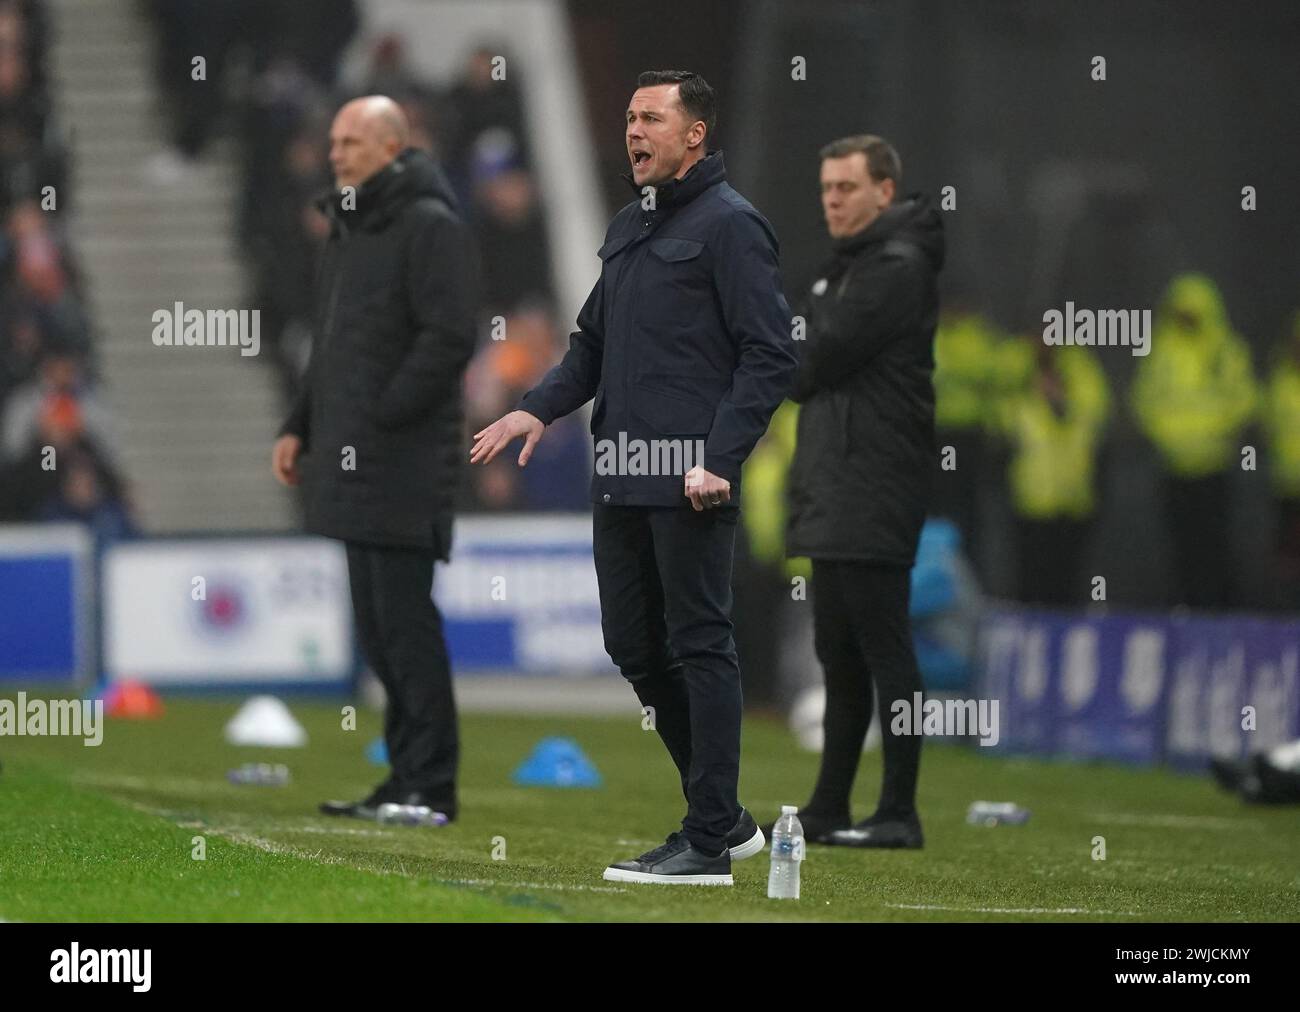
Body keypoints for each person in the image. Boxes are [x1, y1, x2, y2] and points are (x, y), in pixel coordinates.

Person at [471, 71, 796, 885]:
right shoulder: (629, 227)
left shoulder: (733, 227)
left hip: (690, 481)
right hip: (617, 473)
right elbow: (589, 344)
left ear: (696, 135)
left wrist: (720, 457)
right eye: (627, 117)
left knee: (698, 643)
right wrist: (535, 409)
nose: (633, 130)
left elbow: (769, 354)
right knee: (633, 646)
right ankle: (721, 819)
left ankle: (707, 843)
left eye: (651, 117)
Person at [271, 96, 477, 824]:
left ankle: (432, 786)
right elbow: (327, 346)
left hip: (405, 463)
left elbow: (451, 336)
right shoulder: (349, 228)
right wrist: (301, 422)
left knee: (406, 626)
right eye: (333, 141)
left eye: (352, 141)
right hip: (353, 460)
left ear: (393, 146)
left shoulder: (430, 225)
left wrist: (384, 412)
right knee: (379, 630)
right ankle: (403, 780)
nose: (336, 153)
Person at [783, 135, 944, 848]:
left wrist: (784, 345)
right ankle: (828, 807)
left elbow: (813, 362)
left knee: (883, 647)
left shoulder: (894, 268)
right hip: (838, 480)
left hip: (874, 481)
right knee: (839, 651)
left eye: (847, 187)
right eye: (825, 189)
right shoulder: (847, 269)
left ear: (886, 190)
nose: (833, 201)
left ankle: (899, 812)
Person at [1130, 274, 1257, 608]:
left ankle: (1219, 607)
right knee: (1181, 546)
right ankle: (1187, 606)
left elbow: (1244, 400)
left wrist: (1213, 432)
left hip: (1214, 466)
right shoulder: (1161, 353)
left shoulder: (1225, 351)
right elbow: (1144, 401)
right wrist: (1168, 436)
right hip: (1173, 467)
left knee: (1215, 545)